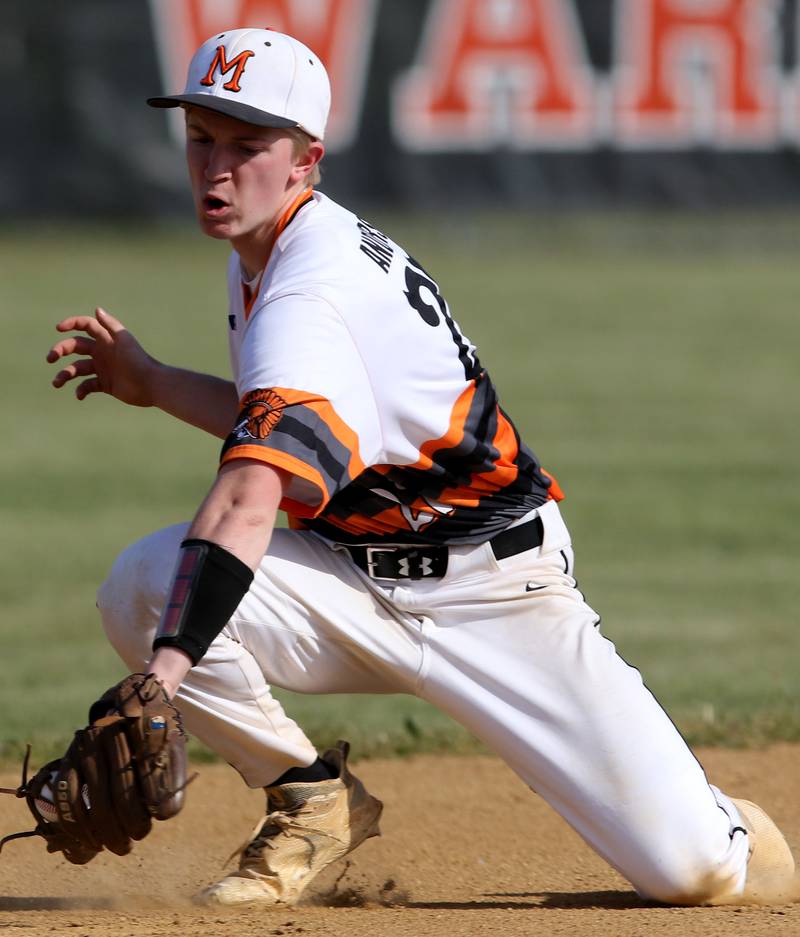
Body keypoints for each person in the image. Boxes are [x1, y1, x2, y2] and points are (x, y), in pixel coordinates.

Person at [47, 28, 795, 908]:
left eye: (249, 147)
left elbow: (253, 490)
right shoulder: (264, 258)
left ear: (304, 162)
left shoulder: (313, 290)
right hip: (356, 584)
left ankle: (726, 819)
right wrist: (158, 382)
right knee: (142, 582)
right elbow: (298, 429)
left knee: (697, 873)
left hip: (494, 595)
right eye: (203, 138)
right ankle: (309, 798)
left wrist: (164, 675)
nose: (218, 167)